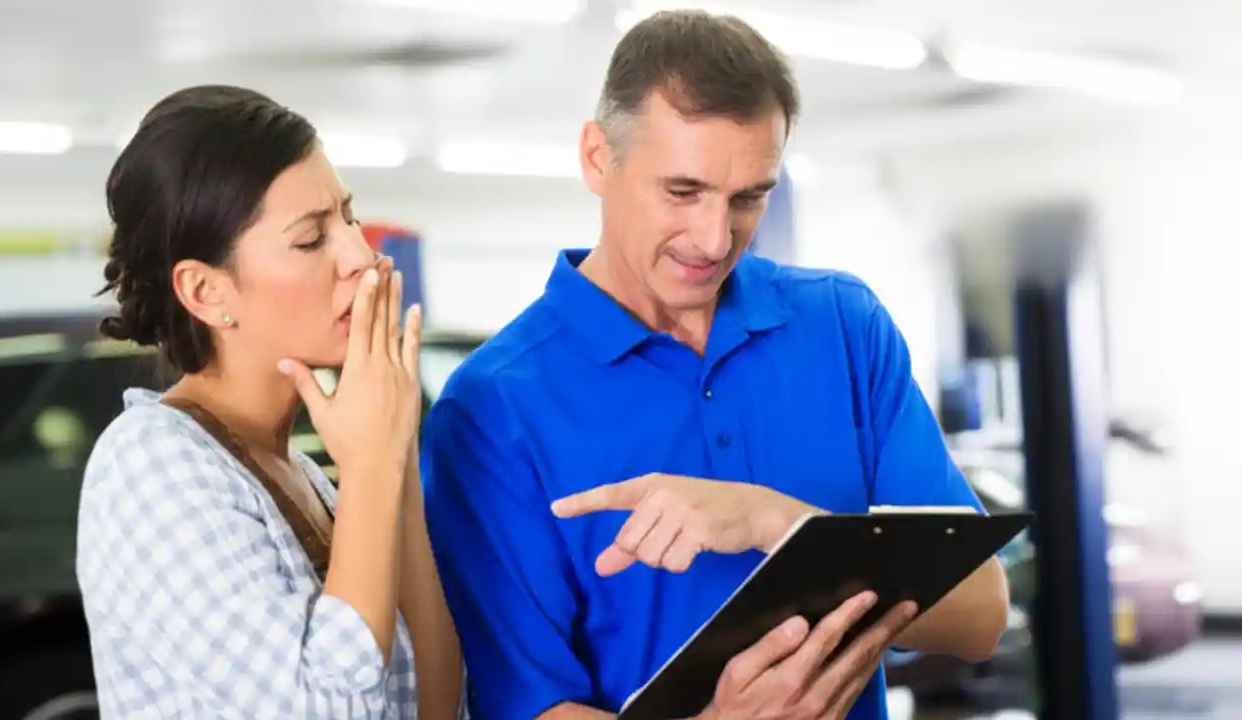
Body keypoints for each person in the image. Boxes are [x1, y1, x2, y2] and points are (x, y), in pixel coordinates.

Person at [421, 10, 1009, 720]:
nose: (713, 237)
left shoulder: (843, 327)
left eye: (748, 198)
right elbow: (525, 707)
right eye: (682, 192)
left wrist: (776, 523)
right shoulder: (492, 408)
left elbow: (980, 615)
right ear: (598, 158)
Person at [76, 85, 464, 719]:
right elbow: (329, 709)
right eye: (312, 241)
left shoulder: (306, 473)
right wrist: (370, 469)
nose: (362, 257)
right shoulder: (151, 463)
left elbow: (436, 705)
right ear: (205, 291)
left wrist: (393, 455)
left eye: (349, 217)